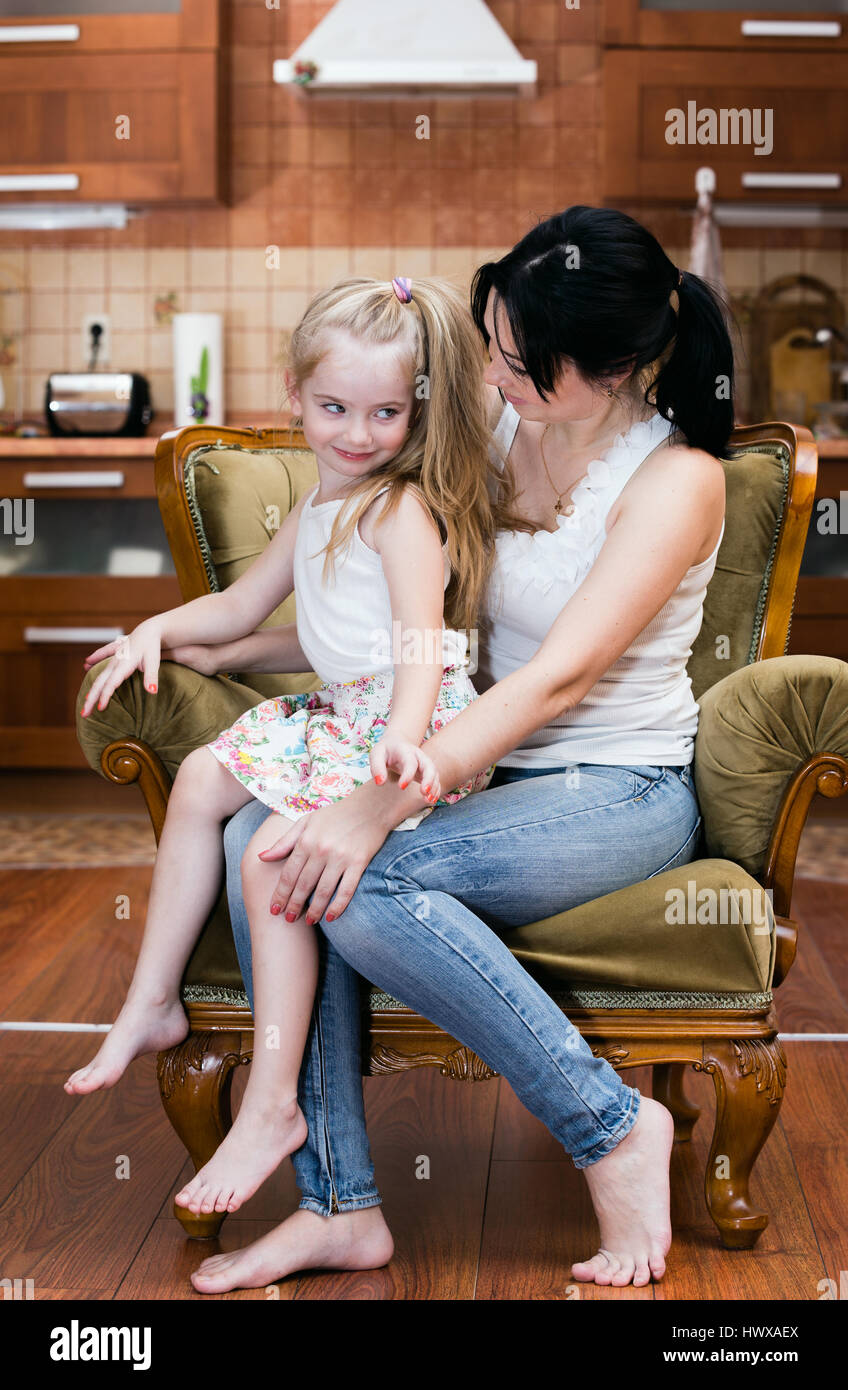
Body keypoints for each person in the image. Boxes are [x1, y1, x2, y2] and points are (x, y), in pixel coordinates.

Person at [186, 204, 730, 1295]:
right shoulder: (486, 433)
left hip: (613, 788)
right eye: (489, 342)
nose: (488, 373)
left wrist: (378, 804)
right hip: (476, 769)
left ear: (614, 366)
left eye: (519, 359)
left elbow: (556, 678)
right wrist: (207, 636)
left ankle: (610, 1124)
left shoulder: (676, 481)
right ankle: (340, 1206)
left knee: (355, 877)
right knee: (260, 828)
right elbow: (389, 602)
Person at [65, 274, 506, 1217]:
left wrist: (396, 745)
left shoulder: (400, 511)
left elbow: (424, 643)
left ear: (415, 412)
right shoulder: (317, 503)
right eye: (335, 407)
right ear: (295, 399)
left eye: (386, 411)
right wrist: (155, 630)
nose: (357, 432)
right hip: (347, 708)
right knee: (196, 778)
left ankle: (272, 1105)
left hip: (404, 728)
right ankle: (151, 999)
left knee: (270, 856)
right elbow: (236, 610)